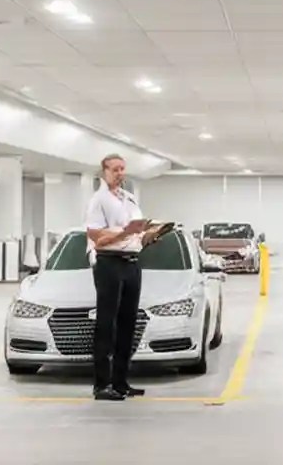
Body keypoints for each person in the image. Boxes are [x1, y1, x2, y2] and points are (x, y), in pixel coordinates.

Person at [84, 153, 165, 401]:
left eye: (122, 169)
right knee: (107, 324)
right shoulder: (98, 201)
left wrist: (149, 235)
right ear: (103, 172)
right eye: (114, 169)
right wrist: (125, 233)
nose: (120, 173)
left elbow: (135, 235)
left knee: (127, 325)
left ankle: (120, 382)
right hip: (109, 263)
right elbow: (97, 238)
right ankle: (102, 385)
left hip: (131, 263)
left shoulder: (129, 199)